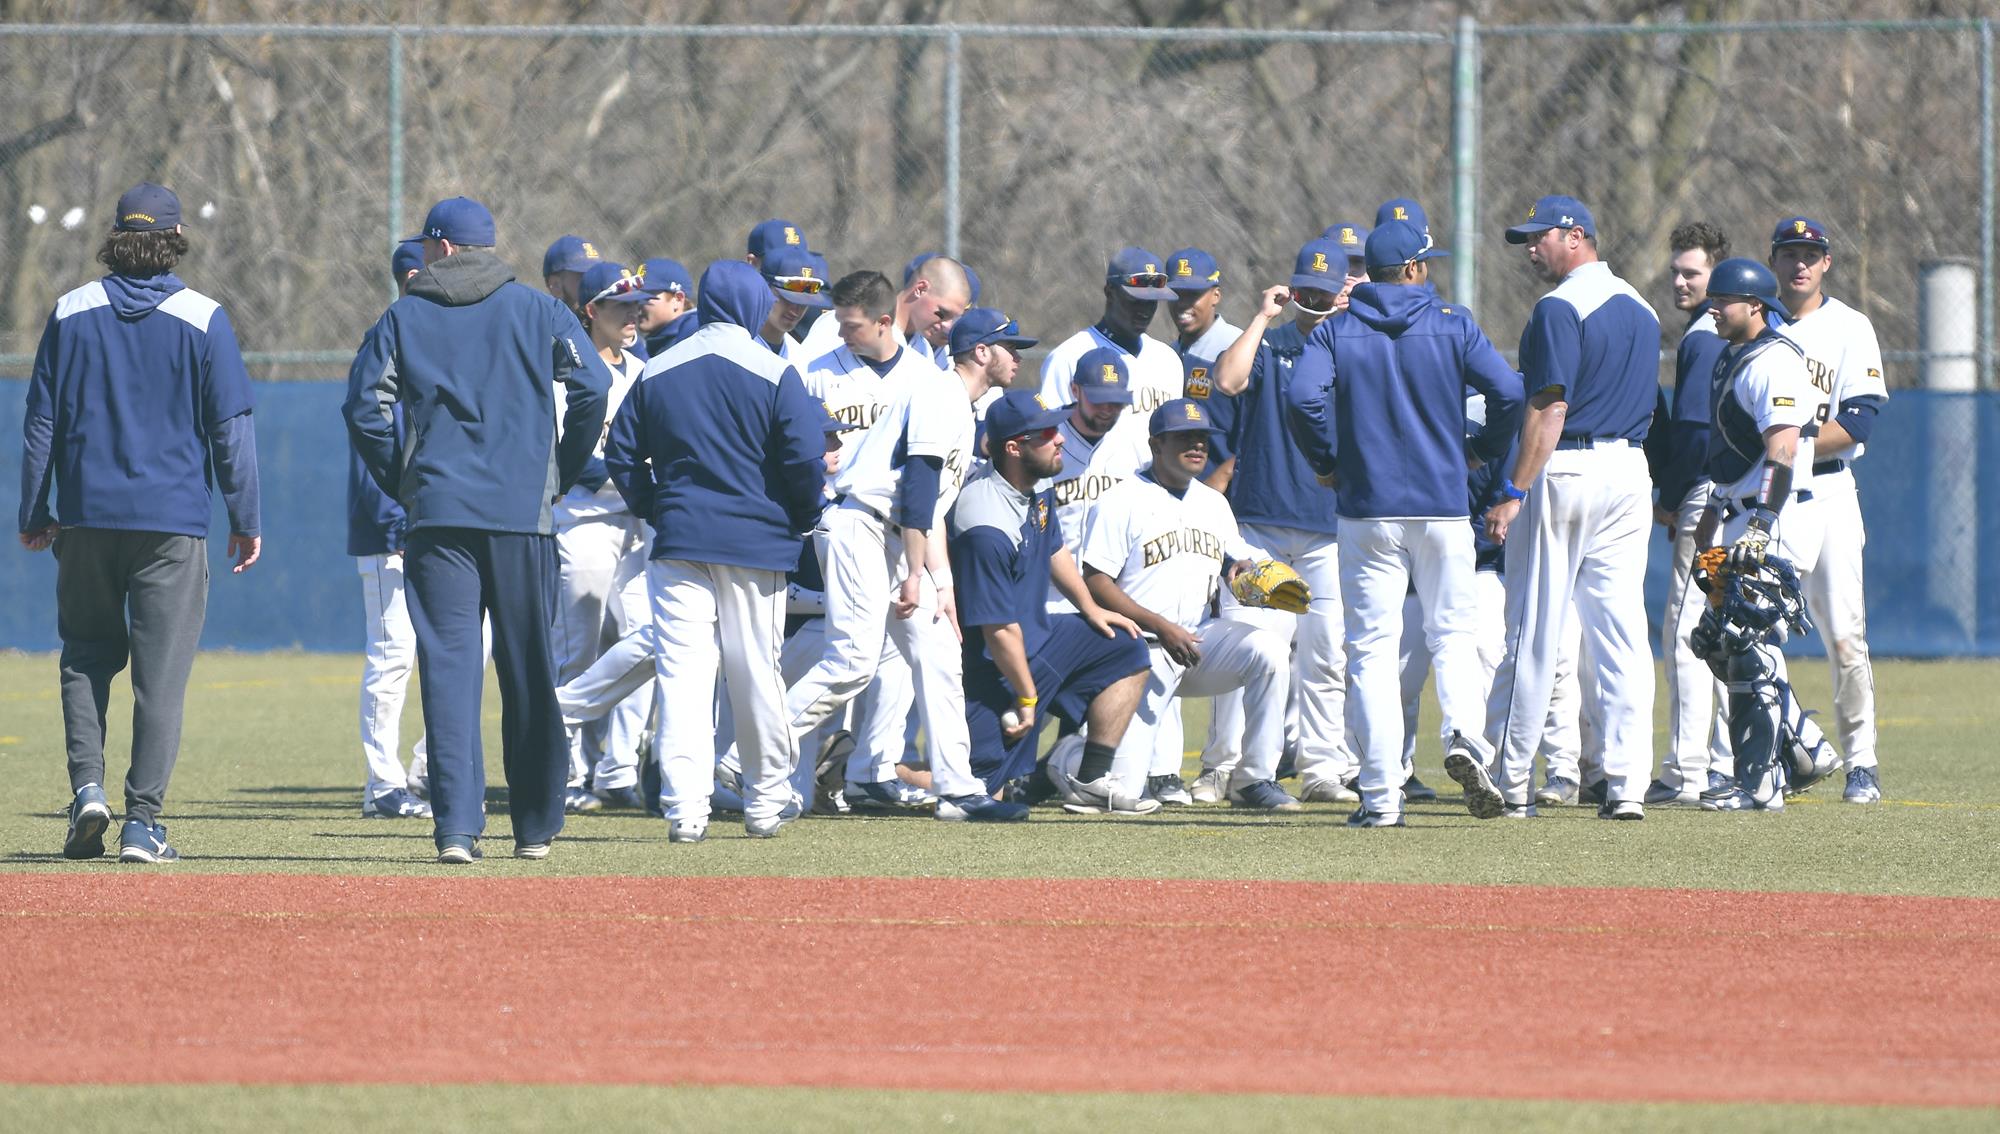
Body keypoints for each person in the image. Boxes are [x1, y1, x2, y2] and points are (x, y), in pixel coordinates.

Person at [345, 196, 610, 864]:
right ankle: (534, 826)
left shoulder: (406, 314)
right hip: (523, 514)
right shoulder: (539, 309)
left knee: (450, 669)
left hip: (439, 514)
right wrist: (562, 468)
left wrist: (403, 480)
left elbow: (363, 407)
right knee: (529, 667)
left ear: (441, 248)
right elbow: (594, 387)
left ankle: (457, 829)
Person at [20, 180, 263, 864]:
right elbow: (232, 431)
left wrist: (35, 511)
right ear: (177, 238)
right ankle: (142, 823)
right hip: (172, 525)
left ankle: (88, 790)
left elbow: (42, 423)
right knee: (161, 677)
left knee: (86, 659)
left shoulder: (70, 311)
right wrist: (245, 518)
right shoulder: (204, 317)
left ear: (113, 238)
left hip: (88, 519)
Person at [1286, 219, 1524, 827]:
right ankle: (1465, 737)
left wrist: (1328, 462)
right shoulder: (1452, 323)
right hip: (1443, 505)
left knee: (1370, 649)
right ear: (1415, 269)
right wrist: (1479, 450)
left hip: (1366, 508)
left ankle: (1382, 794)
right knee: (1452, 635)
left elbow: (1302, 399)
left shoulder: (1337, 329)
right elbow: (1507, 394)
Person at [785, 275, 1027, 822]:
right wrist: (916, 575)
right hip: (865, 529)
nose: (1017, 359)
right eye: (1011, 348)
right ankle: (750, 749)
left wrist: (942, 586)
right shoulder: (941, 394)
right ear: (982, 352)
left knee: (940, 658)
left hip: (897, 537)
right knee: (851, 663)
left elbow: (933, 508)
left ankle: (959, 789)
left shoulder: (959, 404)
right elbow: (917, 488)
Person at [603, 259, 825, 843]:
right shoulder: (774, 371)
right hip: (756, 543)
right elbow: (804, 459)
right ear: (754, 306)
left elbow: (621, 454)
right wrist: (803, 518)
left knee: (683, 674)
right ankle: (765, 800)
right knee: (756, 673)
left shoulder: (657, 369)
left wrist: (657, 507)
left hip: (680, 541)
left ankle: (685, 810)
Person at [1480, 194, 1660, 821]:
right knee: (1622, 634)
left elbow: (1549, 409)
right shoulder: (1642, 305)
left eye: (1539, 237)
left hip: (1570, 469)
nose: (1531, 249)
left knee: (1534, 629)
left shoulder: (1560, 306)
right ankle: (1628, 784)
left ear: (1575, 234)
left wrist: (1513, 490)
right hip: (1630, 470)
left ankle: (1510, 782)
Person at [1193, 235, 1361, 805]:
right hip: (1261, 523)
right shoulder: (1273, 343)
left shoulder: (1352, 345)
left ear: (1342, 291)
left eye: (1324, 289)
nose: (1313, 299)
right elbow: (1229, 382)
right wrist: (1264, 317)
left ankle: (1320, 768)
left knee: (1325, 653)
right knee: (1248, 649)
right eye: (1304, 288)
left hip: (1327, 525)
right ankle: (1223, 767)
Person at [1078, 400, 1296, 811]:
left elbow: (1235, 559)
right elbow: (1095, 581)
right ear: (1156, 444)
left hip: (1198, 641)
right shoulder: (1121, 499)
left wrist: (1248, 568)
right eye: (1184, 438)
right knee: (1120, 790)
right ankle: (1061, 763)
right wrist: (1159, 625)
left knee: (1269, 651)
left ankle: (1254, 779)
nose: (1197, 445)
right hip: (1138, 648)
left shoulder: (1212, 503)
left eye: (1202, 438)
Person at [950, 390, 1151, 813]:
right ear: (1013, 448)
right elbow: (998, 630)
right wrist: (1026, 698)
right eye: (1045, 433)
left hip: (1036, 639)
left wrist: (1091, 607)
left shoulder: (1036, 482)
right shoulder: (984, 522)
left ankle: (1090, 776)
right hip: (991, 669)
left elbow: (1054, 547)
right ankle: (869, 776)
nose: (1059, 438)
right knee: (978, 785)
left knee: (1125, 645)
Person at [1689, 257, 1839, 810]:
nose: (1713, 307)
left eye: (1722, 300)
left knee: (1749, 638)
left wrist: (1762, 524)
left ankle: (1760, 785)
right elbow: (1727, 461)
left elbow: (1782, 448)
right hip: (1733, 511)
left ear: (1754, 304)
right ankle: (1808, 747)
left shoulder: (1775, 359)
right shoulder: (1733, 355)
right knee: (1713, 639)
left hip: (1773, 515)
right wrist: (1711, 532)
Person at [1768, 216, 1889, 805]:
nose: (1800, 263)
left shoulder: (1849, 326)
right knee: (1752, 632)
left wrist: (1793, 442)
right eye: (1789, 253)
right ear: (1773, 262)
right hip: (1770, 496)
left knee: (1845, 636)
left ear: (1827, 263)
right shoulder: (1755, 323)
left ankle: (1861, 761)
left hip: (1830, 492)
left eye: (1810, 254)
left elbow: (1861, 418)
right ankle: (1785, 748)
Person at [553, 262, 659, 813]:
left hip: (636, 530)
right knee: (577, 650)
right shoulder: (565, 371)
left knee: (647, 640)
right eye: (621, 306)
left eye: (638, 304)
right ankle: (564, 772)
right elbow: (569, 461)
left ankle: (616, 771)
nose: (634, 314)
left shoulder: (641, 370)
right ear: (591, 311)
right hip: (583, 523)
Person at [1649, 221, 1736, 806]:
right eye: (1676, 270)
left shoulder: (1705, 336)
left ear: (1717, 274)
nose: (1680, 281)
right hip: (1737, 496)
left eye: (1693, 273)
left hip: (1705, 500)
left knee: (1686, 629)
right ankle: (1732, 760)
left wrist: (1674, 500)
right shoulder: (1740, 328)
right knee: (1724, 624)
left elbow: (1694, 432)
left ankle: (1687, 769)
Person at [347, 238, 433, 820]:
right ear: (407, 278)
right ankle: (383, 784)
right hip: (389, 526)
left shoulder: (437, 338)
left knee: (457, 651)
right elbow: (372, 439)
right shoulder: (388, 338)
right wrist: (399, 516)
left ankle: (426, 773)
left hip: (441, 523)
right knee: (394, 652)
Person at [1037, 247, 1187, 444]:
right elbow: (1049, 436)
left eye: (1152, 301)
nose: (1145, 310)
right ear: (1110, 292)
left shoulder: (1168, 360)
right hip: (1090, 474)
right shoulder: (1068, 356)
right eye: (1136, 300)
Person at [1164, 247, 1243, 485]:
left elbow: (1263, 431)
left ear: (1216, 295)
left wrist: (1223, 476)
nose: (1182, 304)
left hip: (1230, 498)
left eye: (1192, 294)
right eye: (1176, 294)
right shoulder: (1167, 354)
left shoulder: (1237, 349)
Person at [636, 256, 694, 357]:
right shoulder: (662, 342)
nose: (637, 303)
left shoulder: (693, 343)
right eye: (637, 295)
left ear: (678, 300)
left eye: (647, 295)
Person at [542, 234, 606, 318]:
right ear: (555, 285)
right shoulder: (540, 327)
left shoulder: (612, 325)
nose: (595, 284)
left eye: (597, 275)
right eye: (585, 277)